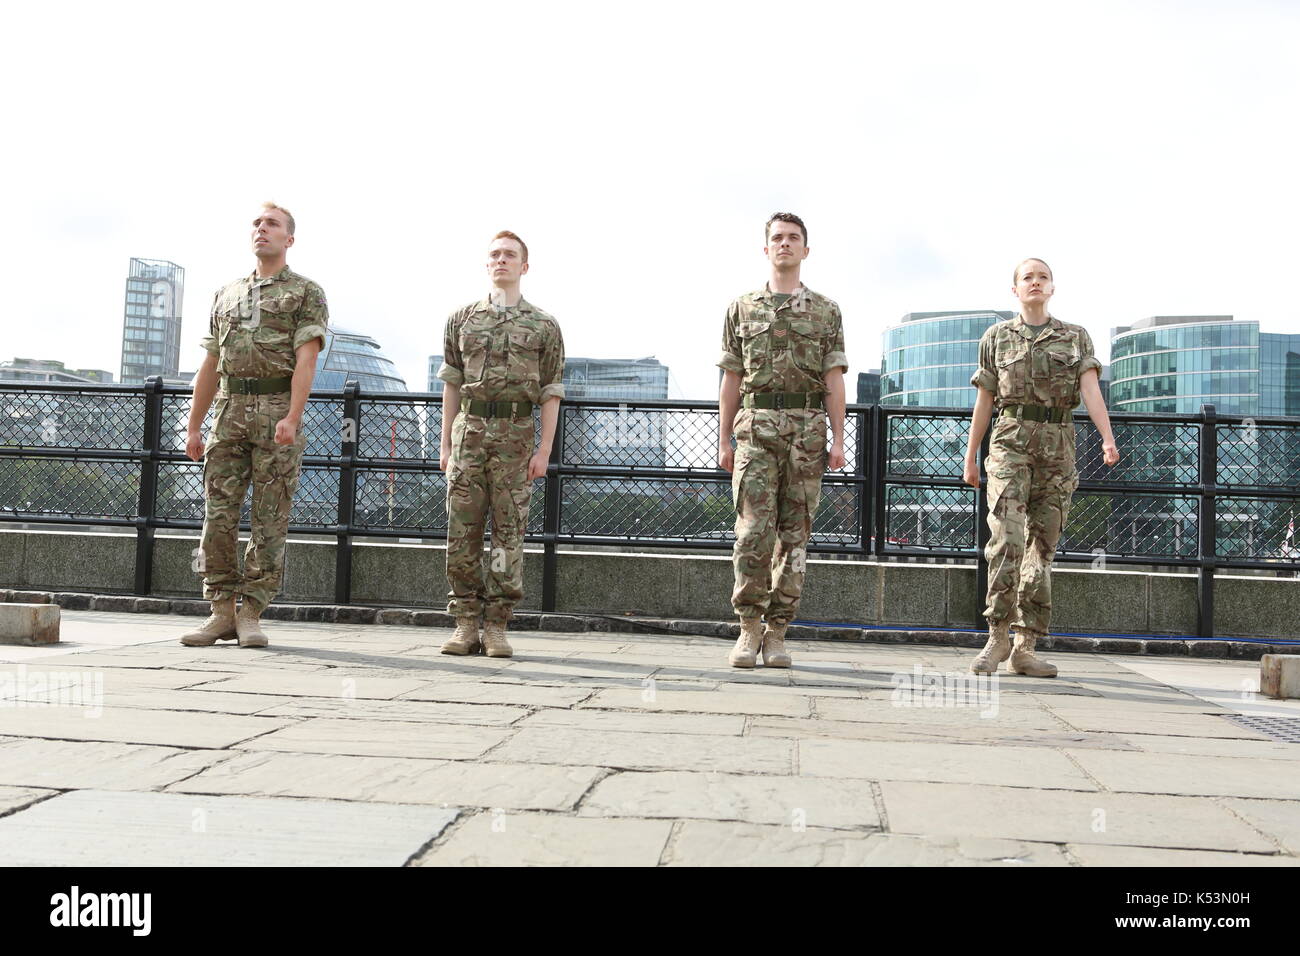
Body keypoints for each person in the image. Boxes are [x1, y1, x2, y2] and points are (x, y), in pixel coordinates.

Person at [963, 258, 1120, 677]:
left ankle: (1025, 645)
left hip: (1057, 447)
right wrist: (970, 454)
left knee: (1042, 547)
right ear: (1014, 290)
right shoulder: (997, 337)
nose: (1035, 282)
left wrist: (1107, 437)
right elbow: (985, 400)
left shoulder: (1074, 337)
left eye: (1043, 277)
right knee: (1006, 538)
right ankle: (996, 635)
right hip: (1009, 443)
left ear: (1053, 287)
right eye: (1027, 278)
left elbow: (1090, 389)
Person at [180, 202, 327, 648]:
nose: (262, 230)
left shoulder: (305, 293)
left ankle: (251, 613)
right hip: (229, 408)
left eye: (272, 225)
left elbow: (307, 359)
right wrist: (193, 426)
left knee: (270, 517)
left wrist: (292, 417)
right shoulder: (227, 293)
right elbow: (210, 363)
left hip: (276, 407)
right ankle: (220, 609)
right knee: (217, 516)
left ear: (289, 239)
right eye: (258, 224)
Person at [717, 213, 848, 668]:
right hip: (755, 426)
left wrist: (838, 439)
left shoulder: (826, 310)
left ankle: (777, 633)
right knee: (752, 533)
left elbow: (833, 377)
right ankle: (748, 628)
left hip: (808, 430)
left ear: (805, 250)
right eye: (777, 238)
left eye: (793, 239)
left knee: (794, 537)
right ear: (766, 248)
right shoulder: (742, 307)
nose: (785, 244)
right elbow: (731, 377)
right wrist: (723, 440)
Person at [436, 231, 565, 658]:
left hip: (516, 435)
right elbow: (452, 383)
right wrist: (445, 445)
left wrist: (544, 449)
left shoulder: (543, 325)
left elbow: (551, 390)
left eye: (510, 255)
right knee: (463, 532)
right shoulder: (462, 319)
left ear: (524, 266)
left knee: (507, 535)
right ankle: (465, 622)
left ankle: (496, 624)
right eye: (494, 254)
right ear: (485, 263)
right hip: (469, 432)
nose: (501, 260)